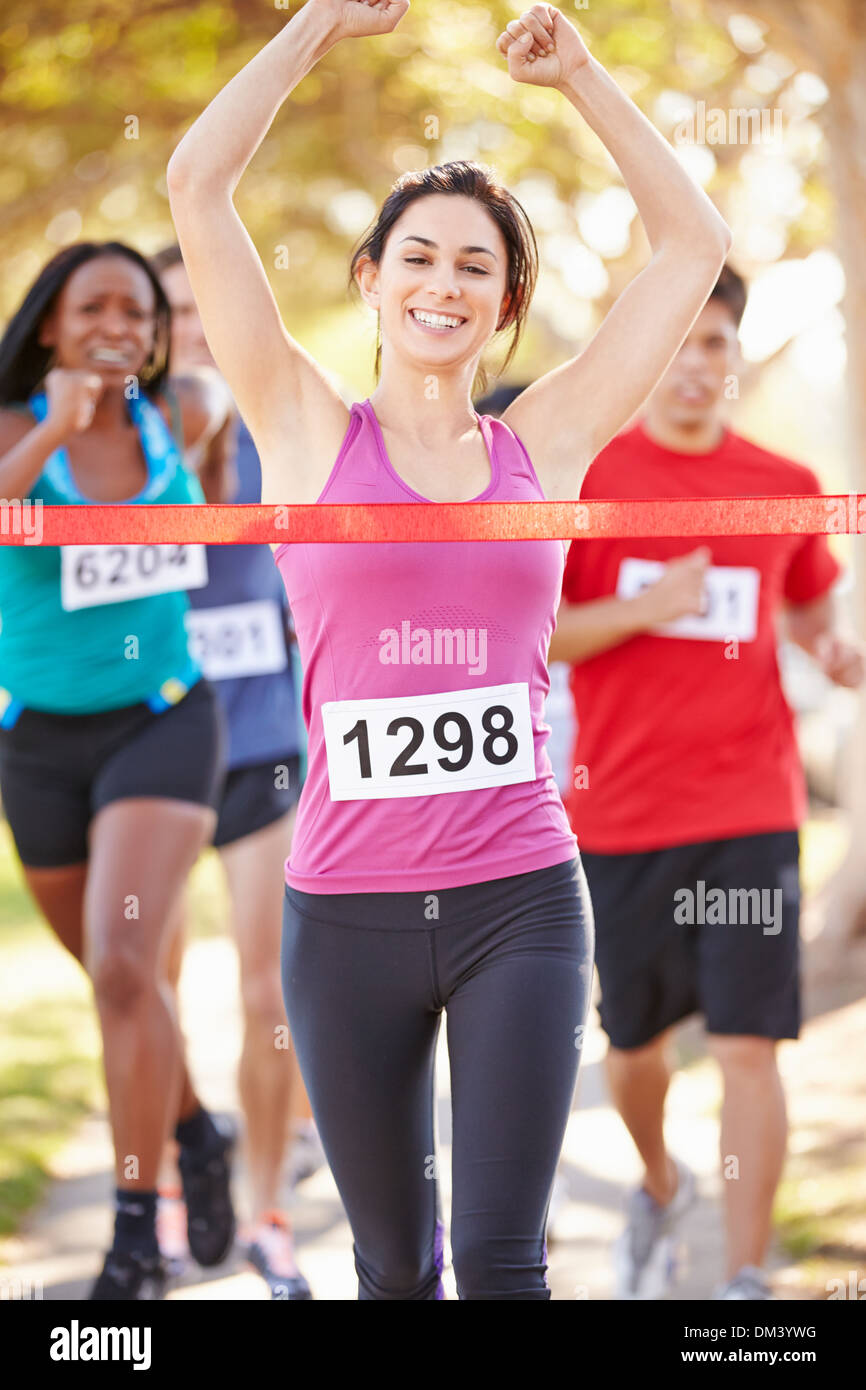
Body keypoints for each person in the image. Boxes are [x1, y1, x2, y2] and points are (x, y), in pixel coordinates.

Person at [165, 0, 730, 1299]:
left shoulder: (550, 440)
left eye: (476, 266)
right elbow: (197, 179)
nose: (443, 283)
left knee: (496, 1258)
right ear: (370, 278)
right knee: (392, 1268)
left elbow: (692, 241)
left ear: (505, 304)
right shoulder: (304, 429)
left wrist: (581, 75)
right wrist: (312, 26)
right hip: (344, 911)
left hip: (519, 898)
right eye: (417, 256)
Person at [549, 263, 865, 1300]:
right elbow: (537, 634)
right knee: (634, 1046)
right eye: (676, 344)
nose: (694, 365)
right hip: (621, 812)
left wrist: (830, 650)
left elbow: (808, 602)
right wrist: (648, 606)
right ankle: (655, 1179)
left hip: (749, 807)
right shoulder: (587, 475)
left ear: (733, 356)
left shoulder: (783, 486)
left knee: (746, 1045)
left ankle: (740, 1276)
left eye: (714, 344)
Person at [0, 241, 240, 1300]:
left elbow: (223, 426)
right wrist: (57, 422)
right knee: (118, 981)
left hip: (164, 720)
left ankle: (134, 1239)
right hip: (36, 740)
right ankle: (195, 1125)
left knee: (121, 959)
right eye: (91, 305)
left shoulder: (176, 410)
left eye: (135, 311)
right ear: (48, 323)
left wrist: (216, 467)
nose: (116, 325)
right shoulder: (13, 429)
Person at [149, 243, 317, 1299]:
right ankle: (174, 1181)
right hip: (151, 748)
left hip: (264, 745)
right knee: (145, 988)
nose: (194, 332)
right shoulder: (117, 451)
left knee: (271, 986)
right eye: (172, 314)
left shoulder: (281, 434)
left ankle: (267, 1207)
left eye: (206, 309)